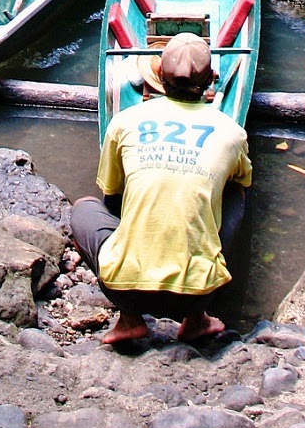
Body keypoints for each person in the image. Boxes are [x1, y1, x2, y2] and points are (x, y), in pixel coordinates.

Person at [70, 32, 252, 346]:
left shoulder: (124, 122)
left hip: (123, 287)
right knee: (235, 191)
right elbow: (241, 182)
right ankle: (197, 320)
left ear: (157, 76)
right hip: (197, 294)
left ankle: (129, 319)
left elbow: (111, 199)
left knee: (84, 208)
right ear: (211, 80)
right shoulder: (232, 133)